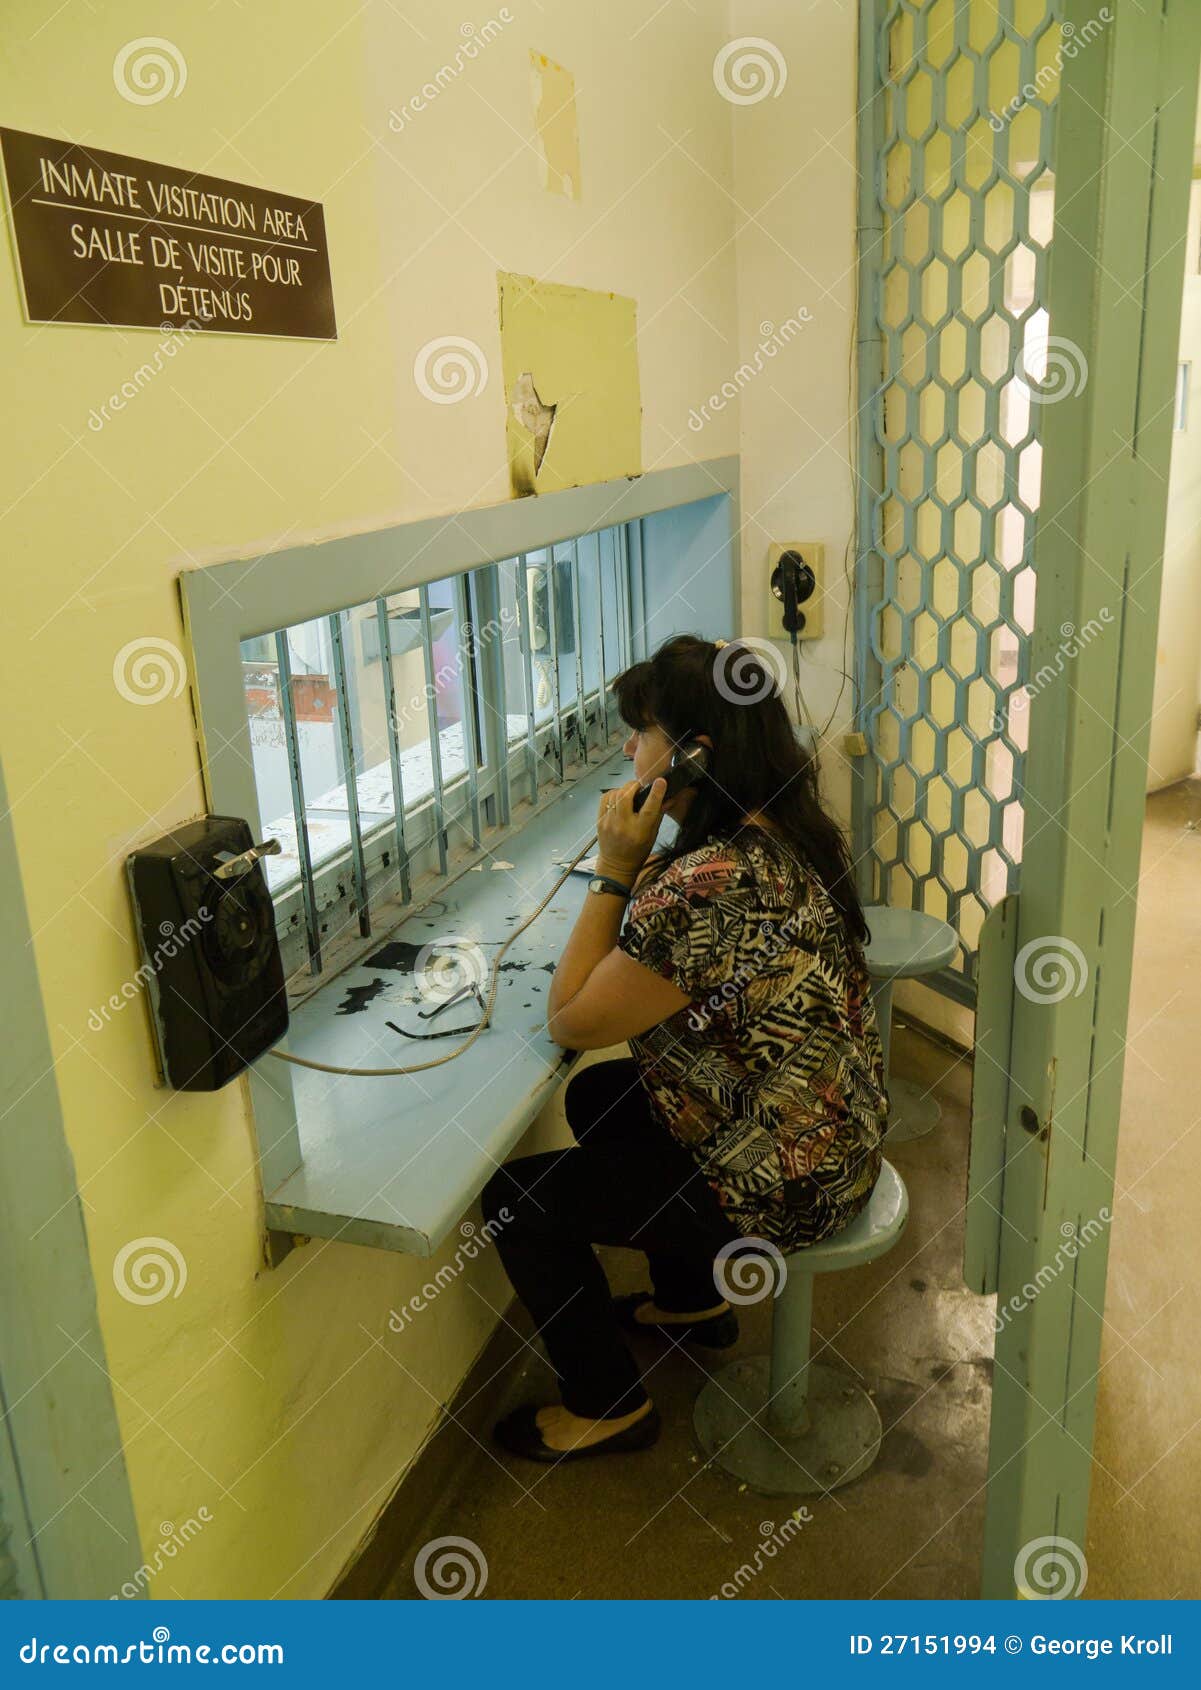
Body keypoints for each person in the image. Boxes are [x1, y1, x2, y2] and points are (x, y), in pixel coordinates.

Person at [481, 633, 889, 1463]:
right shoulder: (781, 824)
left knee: (515, 1199)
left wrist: (614, 867)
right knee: (597, 1098)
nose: (629, 751)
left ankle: (606, 1407)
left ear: (694, 754)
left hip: (791, 1184)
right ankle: (693, 1301)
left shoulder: (710, 884)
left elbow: (571, 1019)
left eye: (641, 734)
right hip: (836, 1133)